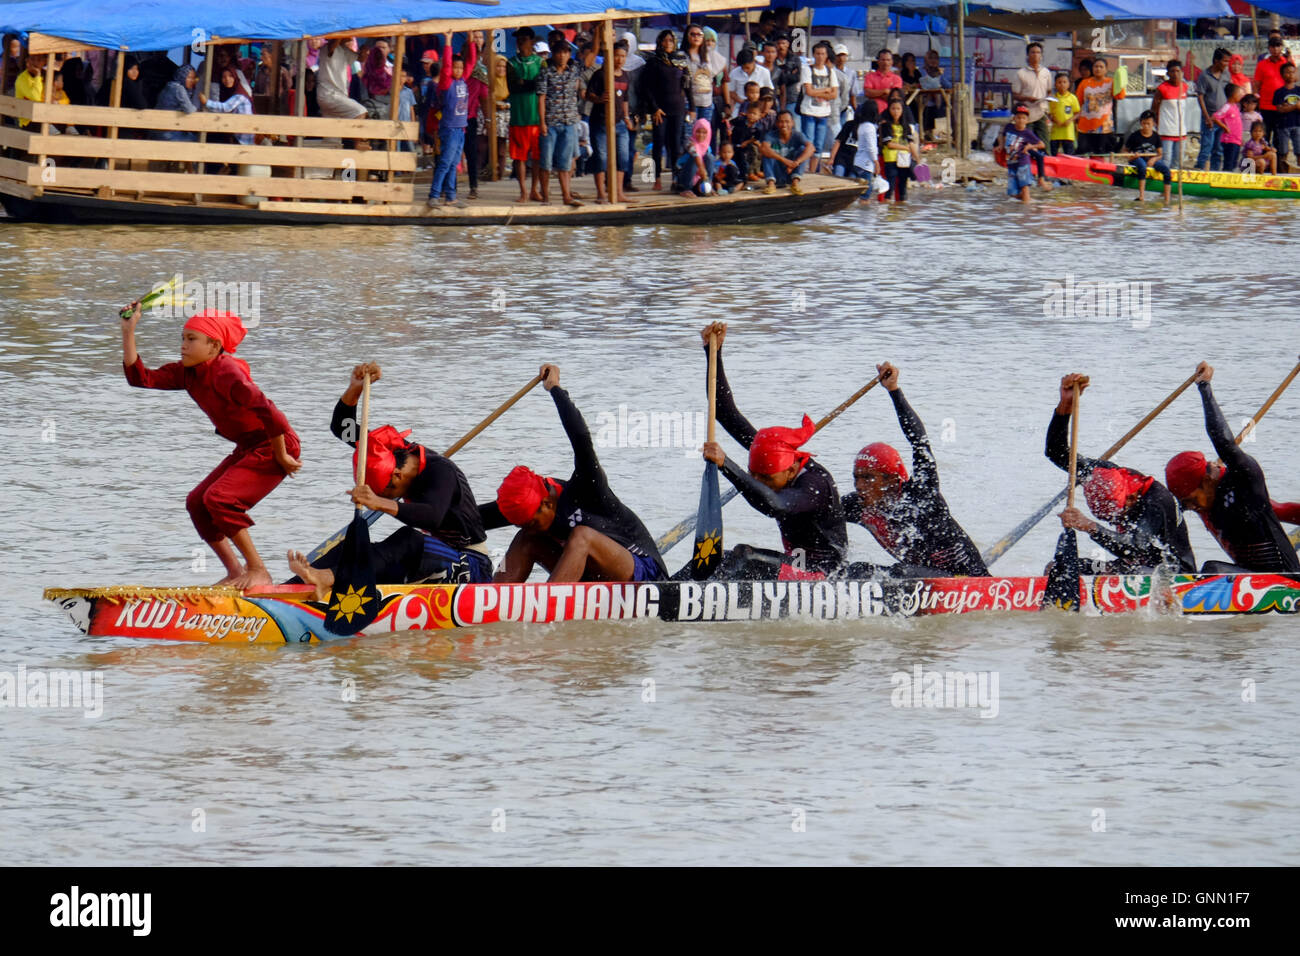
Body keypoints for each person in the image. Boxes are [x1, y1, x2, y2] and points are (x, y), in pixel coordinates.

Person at [121, 304, 300, 590]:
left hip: (274, 444)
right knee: (197, 502)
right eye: (182, 338)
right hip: (248, 447)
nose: (182, 346)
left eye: (191, 340)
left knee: (220, 498)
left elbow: (271, 414)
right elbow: (140, 379)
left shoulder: (226, 372)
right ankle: (234, 571)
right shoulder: (188, 373)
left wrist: (281, 455)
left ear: (214, 345)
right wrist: (128, 330)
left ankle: (259, 571)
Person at [286, 363, 493, 597]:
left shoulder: (441, 471)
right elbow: (341, 428)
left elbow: (432, 517)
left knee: (407, 539)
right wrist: (355, 389)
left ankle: (327, 579)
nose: (387, 496)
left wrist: (379, 503)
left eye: (388, 490)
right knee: (350, 547)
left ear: (397, 474)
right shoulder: (388, 451)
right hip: (433, 557)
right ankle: (290, 586)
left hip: (471, 564)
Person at [482, 364, 666, 584]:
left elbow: (580, 438)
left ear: (547, 503)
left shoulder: (587, 488)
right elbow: (469, 518)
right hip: (590, 574)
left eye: (531, 522)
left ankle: (547, 607)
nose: (529, 526)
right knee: (526, 539)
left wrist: (555, 389)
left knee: (582, 536)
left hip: (645, 575)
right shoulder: (525, 511)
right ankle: (492, 600)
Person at [698, 322, 847, 581]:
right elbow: (724, 413)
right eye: (754, 474)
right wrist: (714, 354)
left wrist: (727, 465)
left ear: (791, 470)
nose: (759, 481)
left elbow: (774, 505)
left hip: (824, 576)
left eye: (766, 478)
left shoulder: (815, 484)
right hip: (796, 562)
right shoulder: (771, 454)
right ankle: (664, 587)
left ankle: (698, 597)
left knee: (744, 556)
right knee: (712, 557)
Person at [842, 363, 988, 578]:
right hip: (921, 577)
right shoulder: (856, 505)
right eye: (857, 478)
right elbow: (810, 511)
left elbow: (920, 443)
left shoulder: (922, 494)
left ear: (892, 479)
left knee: (898, 573)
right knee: (859, 570)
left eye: (868, 478)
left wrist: (894, 391)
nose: (859, 486)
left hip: (965, 581)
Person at [1046, 374, 1194, 575]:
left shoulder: (1157, 503)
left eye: (1117, 517)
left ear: (1132, 498)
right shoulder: (1100, 473)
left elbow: (1134, 546)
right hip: (1132, 564)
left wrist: (1089, 525)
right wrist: (1066, 405)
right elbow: (1056, 452)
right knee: (1059, 567)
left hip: (1172, 574)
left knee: (1132, 572)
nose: (1114, 523)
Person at [1165, 362, 1300, 574]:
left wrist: (1205, 387)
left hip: (1285, 581)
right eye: (1186, 503)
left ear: (1207, 479)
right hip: (1250, 577)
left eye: (1191, 499)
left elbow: (1224, 443)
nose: (1191, 507)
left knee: (1211, 569)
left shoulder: (1245, 479)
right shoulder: (1201, 498)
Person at [428, 35, 474, 208]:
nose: (458, 70)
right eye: (456, 67)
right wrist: (448, 42)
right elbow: (446, 65)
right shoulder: (446, 83)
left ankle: (451, 197)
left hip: (461, 128)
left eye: (460, 68)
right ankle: (433, 195)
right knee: (445, 163)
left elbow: (471, 61)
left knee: (454, 164)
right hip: (449, 128)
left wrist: (470, 41)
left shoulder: (463, 79)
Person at [640, 29, 688, 192]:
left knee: (675, 145)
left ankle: (675, 178)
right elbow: (646, 88)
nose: (668, 43)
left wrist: (692, 107)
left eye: (671, 41)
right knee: (658, 143)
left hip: (678, 108)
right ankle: (657, 178)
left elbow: (687, 85)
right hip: (660, 110)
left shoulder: (680, 61)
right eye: (665, 40)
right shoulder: (654, 62)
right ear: (660, 42)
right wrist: (654, 108)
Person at [538, 35, 583, 207]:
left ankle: (566, 196)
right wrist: (542, 122)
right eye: (559, 53)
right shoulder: (546, 72)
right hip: (551, 121)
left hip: (569, 121)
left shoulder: (574, 70)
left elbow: (590, 56)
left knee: (566, 162)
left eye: (566, 52)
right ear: (554, 54)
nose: (562, 56)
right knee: (546, 162)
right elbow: (541, 98)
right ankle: (546, 197)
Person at [586, 38, 631, 204]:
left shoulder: (625, 76)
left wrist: (627, 117)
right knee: (601, 157)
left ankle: (618, 192)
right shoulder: (600, 74)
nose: (620, 59)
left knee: (623, 156)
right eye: (617, 56)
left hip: (619, 122)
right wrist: (599, 98)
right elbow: (589, 95)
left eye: (623, 56)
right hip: (600, 121)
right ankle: (601, 194)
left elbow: (625, 99)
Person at [507, 26, 545, 203]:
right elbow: (514, 86)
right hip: (518, 117)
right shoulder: (511, 62)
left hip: (537, 117)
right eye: (518, 39)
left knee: (537, 157)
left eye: (524, 39)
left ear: (531, 41)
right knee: (519, 157)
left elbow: (541, 86)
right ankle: (523, 191)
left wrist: (526, 83)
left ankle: (534, 190)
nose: (520, 42)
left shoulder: (540, 62)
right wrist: (528, 84)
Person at [1011, 41, 1052, 185]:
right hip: (1026, 115)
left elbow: (1049, 91)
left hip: (1041, 112)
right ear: (1028, 55)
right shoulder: (1021, 73)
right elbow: (1015, 95)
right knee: (1026, 146)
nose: (1036, 55)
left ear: (1041, 56)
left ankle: (1045, 174)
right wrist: (1028, 98)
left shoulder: (1046, 72)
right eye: (1033, 52)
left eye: (1038, 52)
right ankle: (1029, 175)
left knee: (1044, 144)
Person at [318, 39, 370, 151]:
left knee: (332, 141)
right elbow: (332, 45)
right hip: (330, 94)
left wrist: (364, 51)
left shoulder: (343, 50)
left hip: (336, 95)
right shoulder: (328, 48)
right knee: (360, 111)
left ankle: (330, 166)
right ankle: (358, 142)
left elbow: (360, 59)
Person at [797, 41, 839, 173]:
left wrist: (822, 92)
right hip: (809, 111)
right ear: (814, 55)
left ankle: (813, 172)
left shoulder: (830, 71)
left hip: (824, 112)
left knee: (819, 145)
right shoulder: (807, 69)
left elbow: (834, 94)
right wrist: (826, 90)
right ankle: (802, 171)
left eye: (822, 54)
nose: (820, 56)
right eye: (817, 53)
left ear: (827, 55)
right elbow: (809, 91)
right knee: (808, 142)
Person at [1120, 110, 1171, 204]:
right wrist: (1132, 156)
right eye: (1144, 123)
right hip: (1137, 158)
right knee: (1142, 166)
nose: (1146, 126)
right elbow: (1124, 151)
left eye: (1149, 124)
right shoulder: (1134, 136)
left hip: (1151, 158)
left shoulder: (1156, 136)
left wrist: (1154, 159)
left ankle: (1167, 198)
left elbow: (1160, 154)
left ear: (1153, 124)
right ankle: (1141, 196)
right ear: (1141, 123)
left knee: (1166, 170)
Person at [758, 109, 814, 195]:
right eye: (781, 122)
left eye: (787, 122)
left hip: (791, 173)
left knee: (803, 149)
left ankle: (795, 183)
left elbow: (811, 148)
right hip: (777, 173)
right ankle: (771, 184)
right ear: (776, 124)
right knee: (767, 153)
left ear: (792, 123)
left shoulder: (798, 135)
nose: (784, 125)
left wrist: (796, 162)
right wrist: (785, 161)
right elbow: (763, 149)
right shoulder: (770, 135)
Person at [682, 23, 725, 129]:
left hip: (707, 102)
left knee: (704, 133)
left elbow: (721, 65)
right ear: (687, 36)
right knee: (689, 135)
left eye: (699, 34)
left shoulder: (709, 54)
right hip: (689, 102)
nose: (696, 37)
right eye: (693, 34)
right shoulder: (682, 55)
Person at [999, 104, 1045, 203]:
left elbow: (1041, 144)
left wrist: (1030, 147)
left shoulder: (1028, 133)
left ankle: (1027, 208)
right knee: (1013, 193)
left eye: (1023, 118)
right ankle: (1029, 202)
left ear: (1027, 120)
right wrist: (1001, 146)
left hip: (1023, 163)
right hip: (1011, 163)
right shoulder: (1009, 127)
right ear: (1014, 118)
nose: (1021, 120)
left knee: (1024, 187)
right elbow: (1003, 136)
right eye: (1018, 117)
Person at [1194, 47, 1231, 171]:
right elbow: (1200, 97)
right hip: (1210, 117)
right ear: (1216, 60)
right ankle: (1199, 169)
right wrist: (1206, 117)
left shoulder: (1226, 74)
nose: (1226, 64)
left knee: (1219, 148)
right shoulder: (1204, 76)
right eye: (1224, 61)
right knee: (1206, 146)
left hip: (1223, 118)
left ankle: (1215, 172)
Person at [1150, 60, 1189, 171]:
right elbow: (1154, 108)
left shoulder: (1184, 87)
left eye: (1178, 71)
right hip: (1166, 130)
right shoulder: (1162, 89)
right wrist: (1156, 124)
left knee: (1178, 162)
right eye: (1172, 71)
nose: (1175, 74)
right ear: (1168, 73)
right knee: (1166, 160)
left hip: (1181, 130)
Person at [878, 97, 918, 202]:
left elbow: (911, 143)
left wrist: (918, 160)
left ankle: (901, 211)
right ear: (889, 110)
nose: (896, 111)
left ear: (902, 110)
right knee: (889, 187)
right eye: (893, 109)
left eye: (898, 109)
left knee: (902, 188)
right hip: (890, 159)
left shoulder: (906, 126)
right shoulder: (885, 125)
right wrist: (905, 148)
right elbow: (889, 144)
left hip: (904, 160)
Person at [153, 65, 206, 142]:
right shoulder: (178, 88)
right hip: (167, 133)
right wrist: (199, 108)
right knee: (198, 141)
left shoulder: (170, 85)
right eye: (189, 77)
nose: (192, 81)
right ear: (182, 76)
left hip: (160, 129)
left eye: (194, 78)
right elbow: (189, 109)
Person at [205, 67, 255, 147]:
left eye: (230, 76)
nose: (227, 79)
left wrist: (206, 102)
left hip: (243, 139)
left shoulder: (240, 95)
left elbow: (226, 107)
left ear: (235, 78)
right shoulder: (229, 93)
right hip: (237, 135)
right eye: (224, 77)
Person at [1253, 35, 1289, 147]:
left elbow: (1292, 82)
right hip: (1265, 106)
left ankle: (1278, 163)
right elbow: (1257, 84)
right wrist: (1256, 100)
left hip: (1282, 106)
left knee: (1280, 137)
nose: (1275, 49)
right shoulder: (1262, 64)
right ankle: (1265, 162)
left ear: (1282, 47)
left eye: (1278, 46)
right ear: (1269, 48)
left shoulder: (1287, 64)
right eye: (1273, 46)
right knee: (1264, 136)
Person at [1075, 56, 1114, 156]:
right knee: (1083, 151)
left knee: (1101, 153)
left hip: (1104, 125)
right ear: (1092, 68)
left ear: (1106, 69)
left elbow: (1120, 96)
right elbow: (1077, 102)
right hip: (1086, 124)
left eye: (1101, 67)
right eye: (1096, 66)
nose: (1098, 69)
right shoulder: (1084, 83)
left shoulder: (1111, 82)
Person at [674, 117, 715, 197]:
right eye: (698, 131)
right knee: (694, 158)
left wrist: (705, 176)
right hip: (683, 178)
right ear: (694, 131)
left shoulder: (707, 147)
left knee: (710, 157)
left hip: (699, 177)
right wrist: (702, 169)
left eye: (704, 133)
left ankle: (707, 186)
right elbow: (695, 155)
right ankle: (686, 189)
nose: (701, 135)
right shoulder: (689, 142)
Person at [1271, 61, 1300, 169]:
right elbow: (1280, 109)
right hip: (1283, 125)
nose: (1290, 74)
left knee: (1299, 150)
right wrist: (1295, 106)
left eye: (1292, 72)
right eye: (1287, 72)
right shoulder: (1279, 92)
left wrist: (1288, 107)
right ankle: (1283, 172)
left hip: (1298, 124)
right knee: (1283, 151)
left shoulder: (1299, 90)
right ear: (1282, 75)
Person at [1211, 83, 1245, 174]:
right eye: (1239, 93)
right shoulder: (1227, 107)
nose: (1241, 96)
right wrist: (1225, 127)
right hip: (1229, 140)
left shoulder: (1235, 107)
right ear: (1233, 95)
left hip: (1236, 140)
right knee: (1228, 163)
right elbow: (1215, 117)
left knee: (1234, 163)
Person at [728, 49, 772, 118]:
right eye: (743, 68)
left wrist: (765, 110)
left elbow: (769, 92)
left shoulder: (764, 72)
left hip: (759, 107)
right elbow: (731, 91)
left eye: (747, 67)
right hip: (741, 106)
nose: (745, 70)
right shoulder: (734, 73)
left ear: (753, 62)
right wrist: (741, 101)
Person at [918, 49, 950, 142]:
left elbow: (948, 85)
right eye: (930, 58)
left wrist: (940, 75)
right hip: (923, 100)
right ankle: (926, 132)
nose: (933, 60)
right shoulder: (922, 71)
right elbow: (925, 83)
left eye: (936, 58)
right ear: (926, 59)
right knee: (927, 103)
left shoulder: (940, 71)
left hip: (938, 102)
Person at [730, 100, 765, 181]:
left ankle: (754, 171)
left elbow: (756, 137)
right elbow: (730, 123)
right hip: (735, 142)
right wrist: (729, 130)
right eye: (750, 113)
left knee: (754, 152)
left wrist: (747, 142)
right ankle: (746, 173)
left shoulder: (758, 127)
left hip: (747, 143)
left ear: (759, 116)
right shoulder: (741, 120)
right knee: (738, 157)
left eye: (754, 114)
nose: (752, 116)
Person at [862, 48, 902, 114]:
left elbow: (894, 97)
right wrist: (885, 91)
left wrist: (875, 94)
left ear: (892, 62)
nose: (885, 62)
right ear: (878, 61)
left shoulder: (897, 78)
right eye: (883, 60)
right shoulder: (870, 76)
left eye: (888, 60)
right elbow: (867, 93)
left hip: (890, 113)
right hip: (873, 112)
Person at [1047, 71, 1079, 155]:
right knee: (1053, 153)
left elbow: (1077, 112)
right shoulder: (1053, 99)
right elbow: (1049, 113)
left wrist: (1070, 120)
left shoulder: (1072, 98)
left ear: (1068, 84)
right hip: (1055, 132)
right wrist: (1054, 119)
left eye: (1064, 82)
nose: (1062, 84)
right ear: (1055, 84)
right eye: (1059, 82)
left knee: (1068, 154)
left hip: (1067, 132)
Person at [772, 34, 803, 110]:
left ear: (788, 44)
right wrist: (788, 74)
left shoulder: (795, 59)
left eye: (783, 43)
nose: (781, 46)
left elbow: (797, 77)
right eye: (778, 43)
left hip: (791, 97)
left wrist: (780, 77)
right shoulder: (772, 59)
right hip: (774, 98)